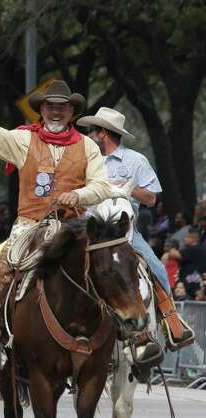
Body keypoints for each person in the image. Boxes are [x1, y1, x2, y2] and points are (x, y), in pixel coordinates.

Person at [0, 61, 114, 380]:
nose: (56, 112)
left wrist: (79, 196)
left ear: (72, 112)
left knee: (109, 266)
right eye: (50, 107)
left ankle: (121, 341)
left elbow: (103, 186)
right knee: (0, 269)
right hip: (29, 225)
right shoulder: (23, 140)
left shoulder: (88, 147)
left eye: (63, 108)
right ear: (42, 110)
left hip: (73, 226)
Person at [77, 107, 194, 349]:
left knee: (158, 267)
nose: (88, 135)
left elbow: (151, 199)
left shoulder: (135, 160)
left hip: (125, 234)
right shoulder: (85, 158)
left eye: (92, 131)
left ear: (103, 134)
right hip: (90, 231)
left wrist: (122, 187)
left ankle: (171, 321)